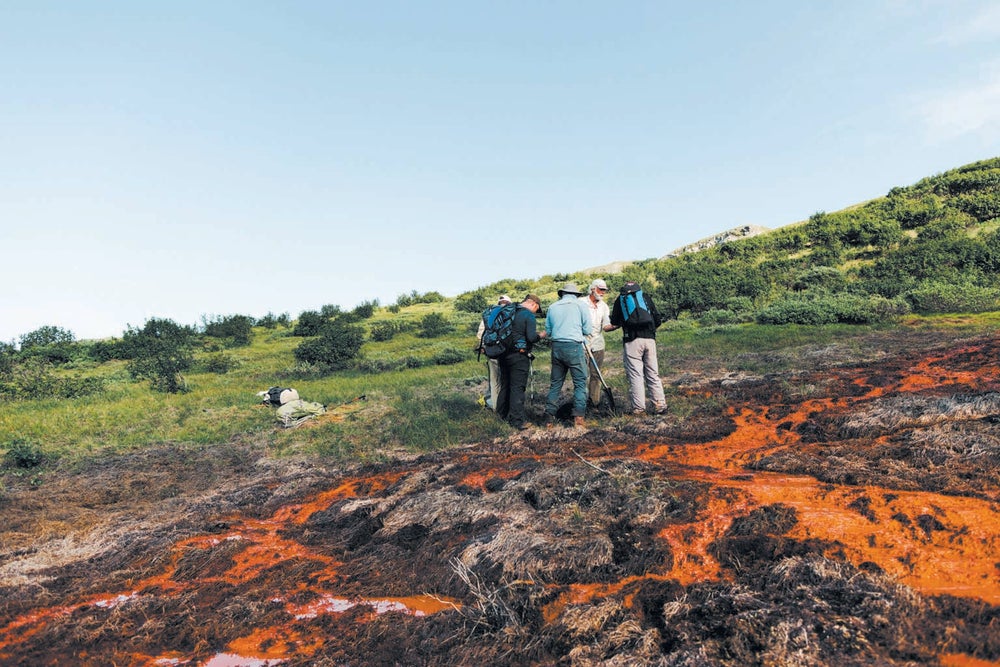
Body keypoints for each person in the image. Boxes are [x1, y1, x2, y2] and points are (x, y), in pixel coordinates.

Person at [609, 280, 667, 415]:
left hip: (632, 340)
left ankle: (639, 409)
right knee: (653, 373)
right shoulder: (645, 297)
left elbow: (615, 322)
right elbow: (657, 319)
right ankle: (660, 405)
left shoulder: (621, 299)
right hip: (650, 340)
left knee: (636, 375)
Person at [495, 294, 546, 429]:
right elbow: (531, 337)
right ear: (534, 304)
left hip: (502, 354)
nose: (535, 312)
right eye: (537, 309)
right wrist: (541, 335)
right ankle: (517, 421)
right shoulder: (528, 315)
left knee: (505, 385)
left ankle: (501, 416)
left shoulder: (508, 311)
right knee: (517, 387)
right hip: (519, 355)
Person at [544, 282, 591, 427]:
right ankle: (578, 418)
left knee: (556, 384)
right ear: (576, 295)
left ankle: (549, 418)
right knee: (580, 382)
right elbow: (588, 329)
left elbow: (548, 330)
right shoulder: (581, 305)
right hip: (574, 346)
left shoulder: (552, 307)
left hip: (557, 347)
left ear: (562, 294)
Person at [579, 278, 614, 411]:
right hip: (582, 344)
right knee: (581, 375)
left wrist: (616, 325)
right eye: (601, 289)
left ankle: (594, 402)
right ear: (593, 289)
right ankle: (580, 402)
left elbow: (605, 326)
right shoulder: (581, 302)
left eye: (604, 290)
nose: (603, 293)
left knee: (596, 374)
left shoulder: (604, 306)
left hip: (598, 344)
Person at [476, 294, 512, 410]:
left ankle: (496, 407)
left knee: (494, 380)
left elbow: (481, 333)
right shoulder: (510, 313)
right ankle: (506, 406)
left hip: (491, 350)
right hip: (507, 351)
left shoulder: (490, 313)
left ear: (499, 303)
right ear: (509, 303)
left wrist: (483, 347)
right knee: (507, 380)